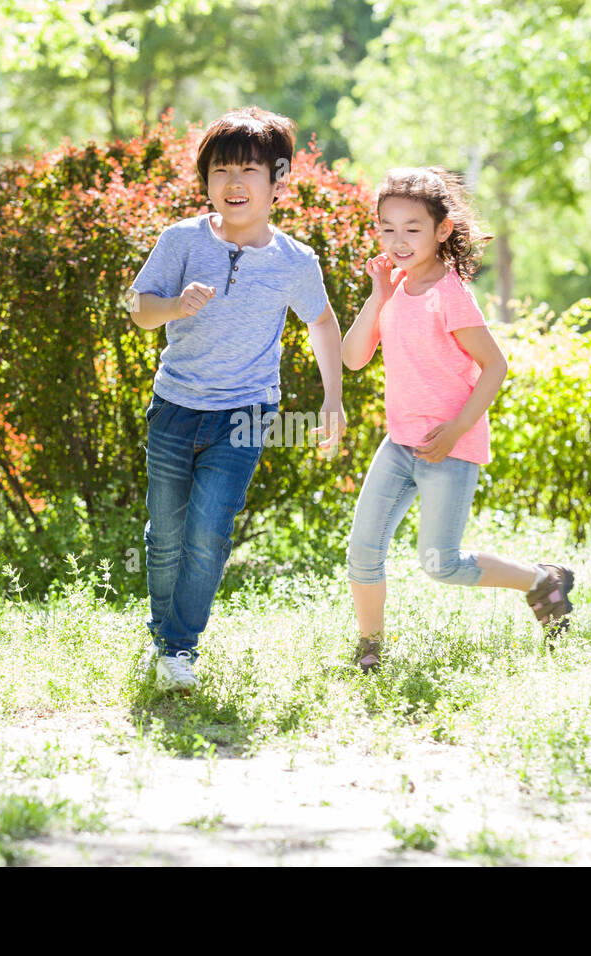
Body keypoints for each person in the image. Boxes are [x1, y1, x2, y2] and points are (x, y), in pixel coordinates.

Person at [127, 106, 346, 692]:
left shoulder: (294, 261)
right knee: (166, 532)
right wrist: (175, 306)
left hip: (246, 415)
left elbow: (323, 325)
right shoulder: (181, 240)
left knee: (208, 530)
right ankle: (162, 635)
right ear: (206, 181)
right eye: (220, 170)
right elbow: (138, 308)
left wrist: (333, 400)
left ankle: (178, 648)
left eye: (248, 169)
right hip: (174, 407)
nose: (233, 183)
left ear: (277, 181)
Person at [340, 166, 574, 673]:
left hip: (450, 447)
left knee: (440, 565)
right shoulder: (394, 287)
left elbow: (495, 366)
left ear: (441, 230)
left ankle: (543, 582)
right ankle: (370, 647)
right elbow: (353, 357)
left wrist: (456, 430)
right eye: (387, 228)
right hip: (400, 443)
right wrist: (377, 294)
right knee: (362, 550)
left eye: (412, 228)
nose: (398, 241)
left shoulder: (451, 294)